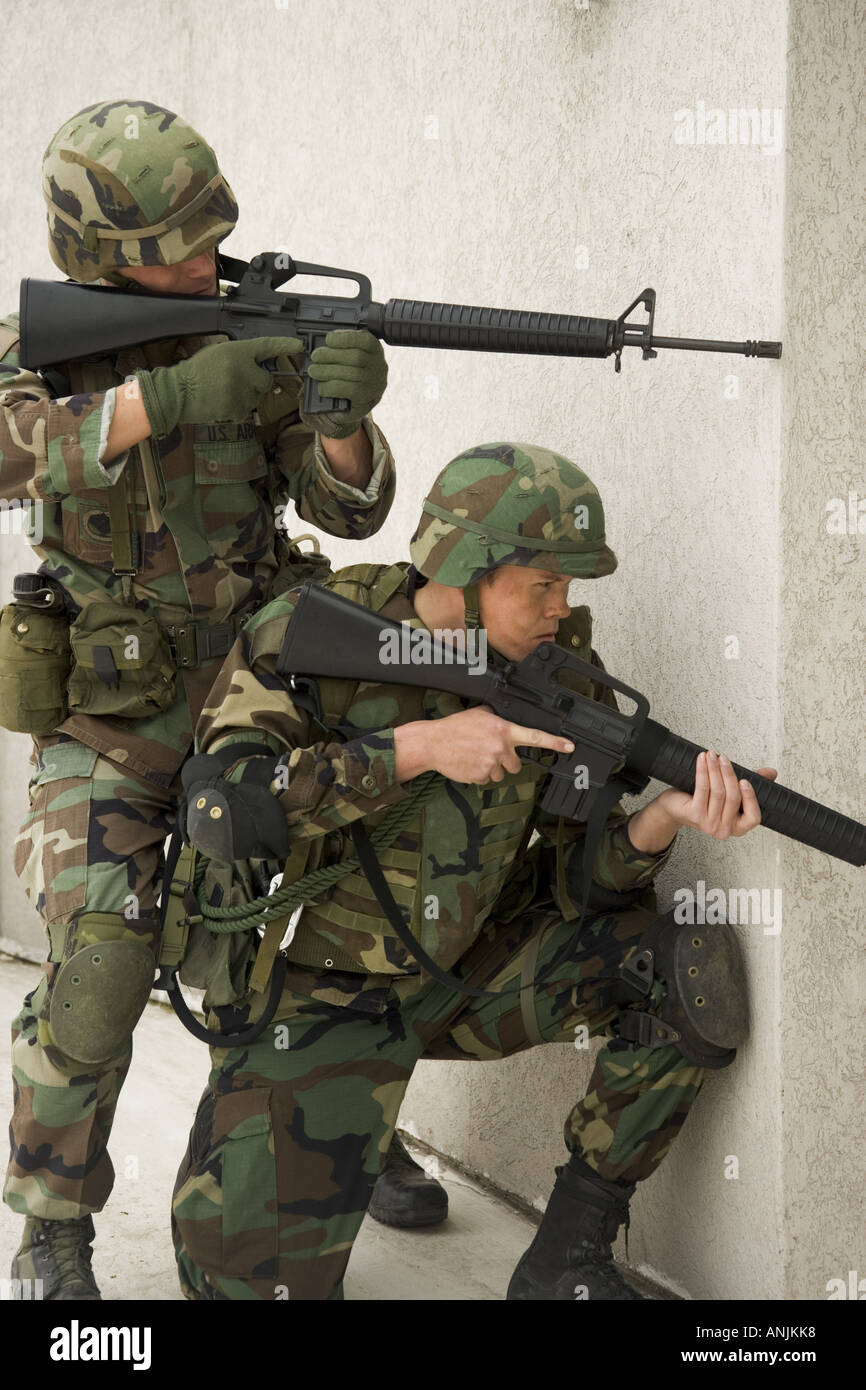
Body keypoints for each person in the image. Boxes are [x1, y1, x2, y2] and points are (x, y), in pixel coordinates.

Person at [171, 441, 775, 1301]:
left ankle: (566, 1259)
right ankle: (354, 1130)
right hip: (315, 1001)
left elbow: (580, 887)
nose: (563, 610)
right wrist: (412, 751)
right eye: (544, 584)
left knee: (680, 962)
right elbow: (224, 812)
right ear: (466, 565)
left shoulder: (562, 680)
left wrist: (655, 824)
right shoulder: (309, 633)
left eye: (571, 588)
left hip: (463, 981)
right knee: (244, 1291)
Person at [0, 98, 400, 1300]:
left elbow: (352, 514)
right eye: (173, 246)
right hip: (108, 726)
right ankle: (53, 1222)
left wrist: (339, 425)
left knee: (374, 906)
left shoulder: (249, 329)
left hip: (258, 701)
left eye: (206, 235)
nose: (202, 261)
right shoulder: (35, 347)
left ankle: (340, 1138)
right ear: (98, 257)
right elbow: (14, 451)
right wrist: (168, 397)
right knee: (105, 957)